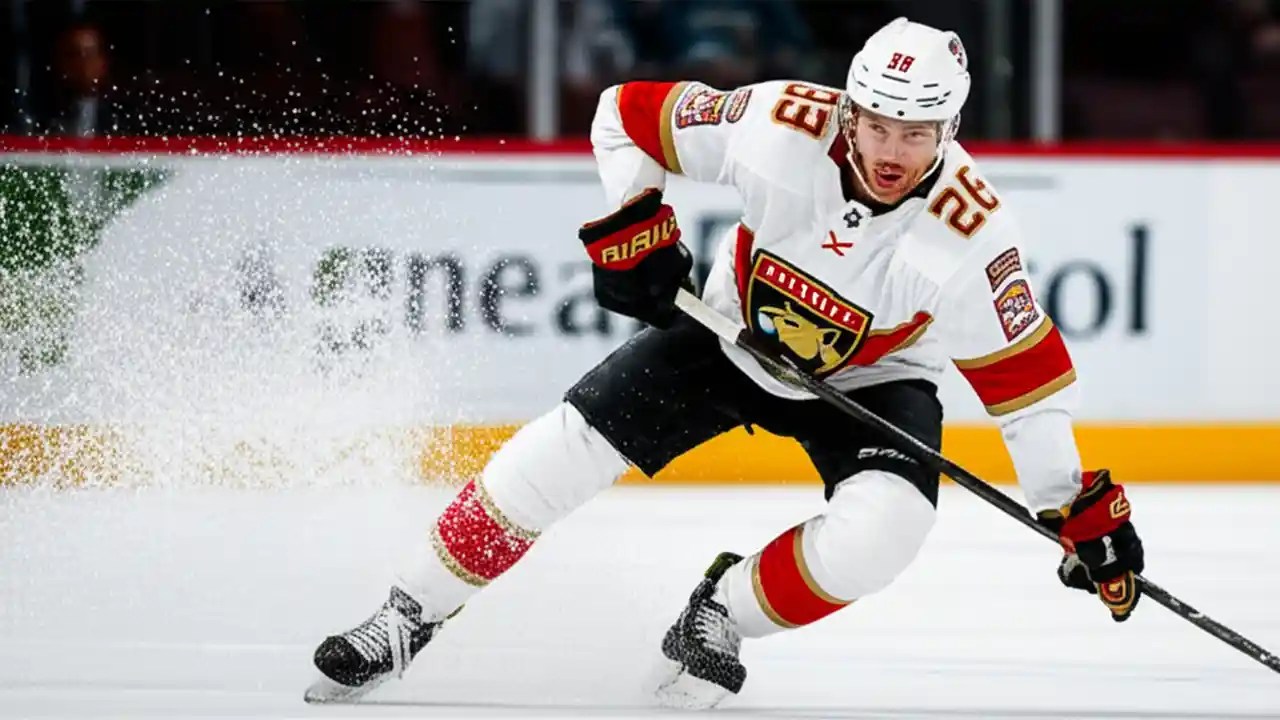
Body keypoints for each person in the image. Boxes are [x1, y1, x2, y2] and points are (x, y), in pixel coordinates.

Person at [304, 17, 1146, 709]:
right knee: (554, 452)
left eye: (917, 133)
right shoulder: (776, 123)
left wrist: (1073, 508)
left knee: (888, 534)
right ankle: (408, 613)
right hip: (725, 331)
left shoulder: (974, 235)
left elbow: (1025, 390)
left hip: (874, 383)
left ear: (950, 131)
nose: (891, 151)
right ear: (847, 110)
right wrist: (636, 218)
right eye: (878, 124)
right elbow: (623, 116)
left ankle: (719, 615)